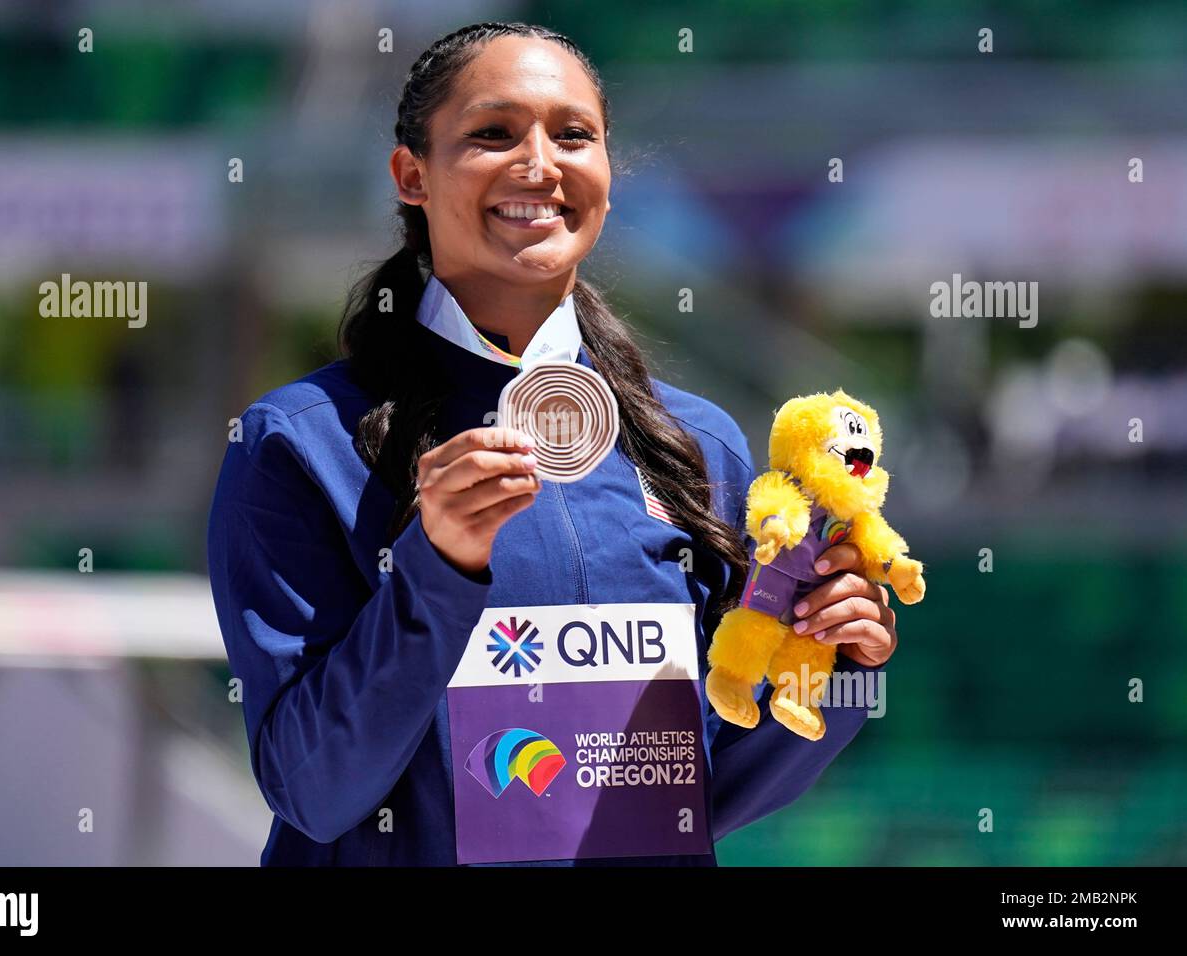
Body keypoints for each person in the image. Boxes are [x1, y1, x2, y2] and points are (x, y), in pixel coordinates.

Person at [206, 21, 899, 867]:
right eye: (493, 134)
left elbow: (692, 795)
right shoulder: (302, 443)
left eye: (574, 135)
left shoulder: (696, 445)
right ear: (412, 176)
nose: (539, 164)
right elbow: (315, 792)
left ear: (607, 171)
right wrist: (440, 572)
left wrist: (835, 667)